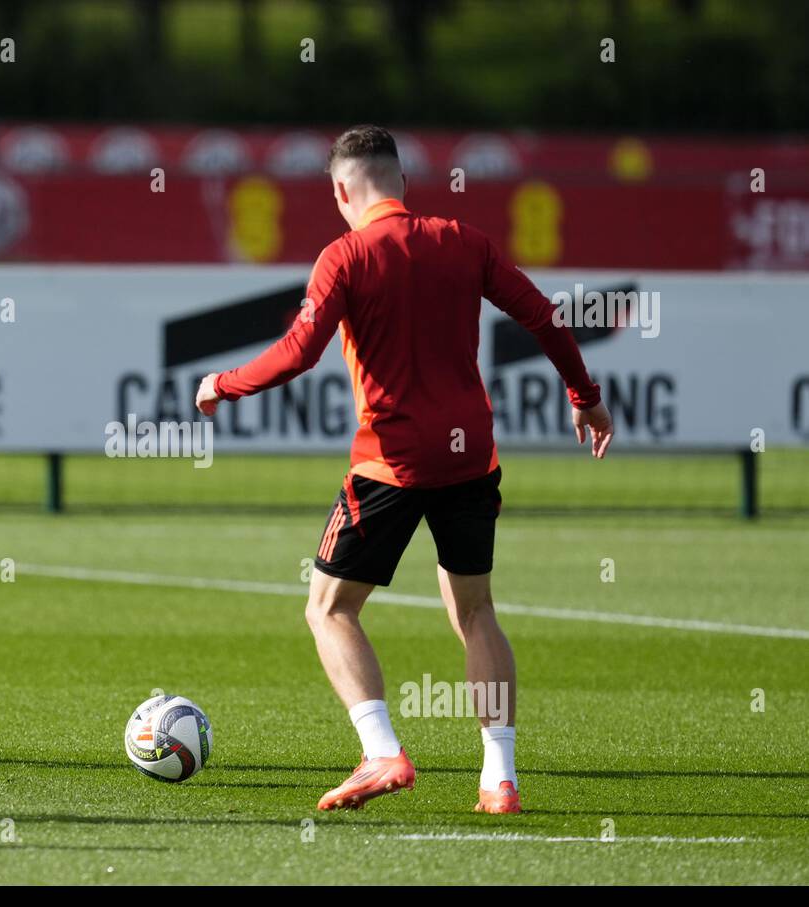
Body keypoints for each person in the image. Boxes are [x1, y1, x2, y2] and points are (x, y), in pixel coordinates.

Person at [196, 124, 613, 813]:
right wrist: (585, 398)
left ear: (340, 190)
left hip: (389, 463)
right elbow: (543, 316)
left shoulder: (346, 254)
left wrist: (223, 383)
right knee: (477, 611)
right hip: (471, 458)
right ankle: (500, 776)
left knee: (328, 608)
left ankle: (382, 750)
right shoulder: (463, 240)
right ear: (403, 184)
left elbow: (301, 350)